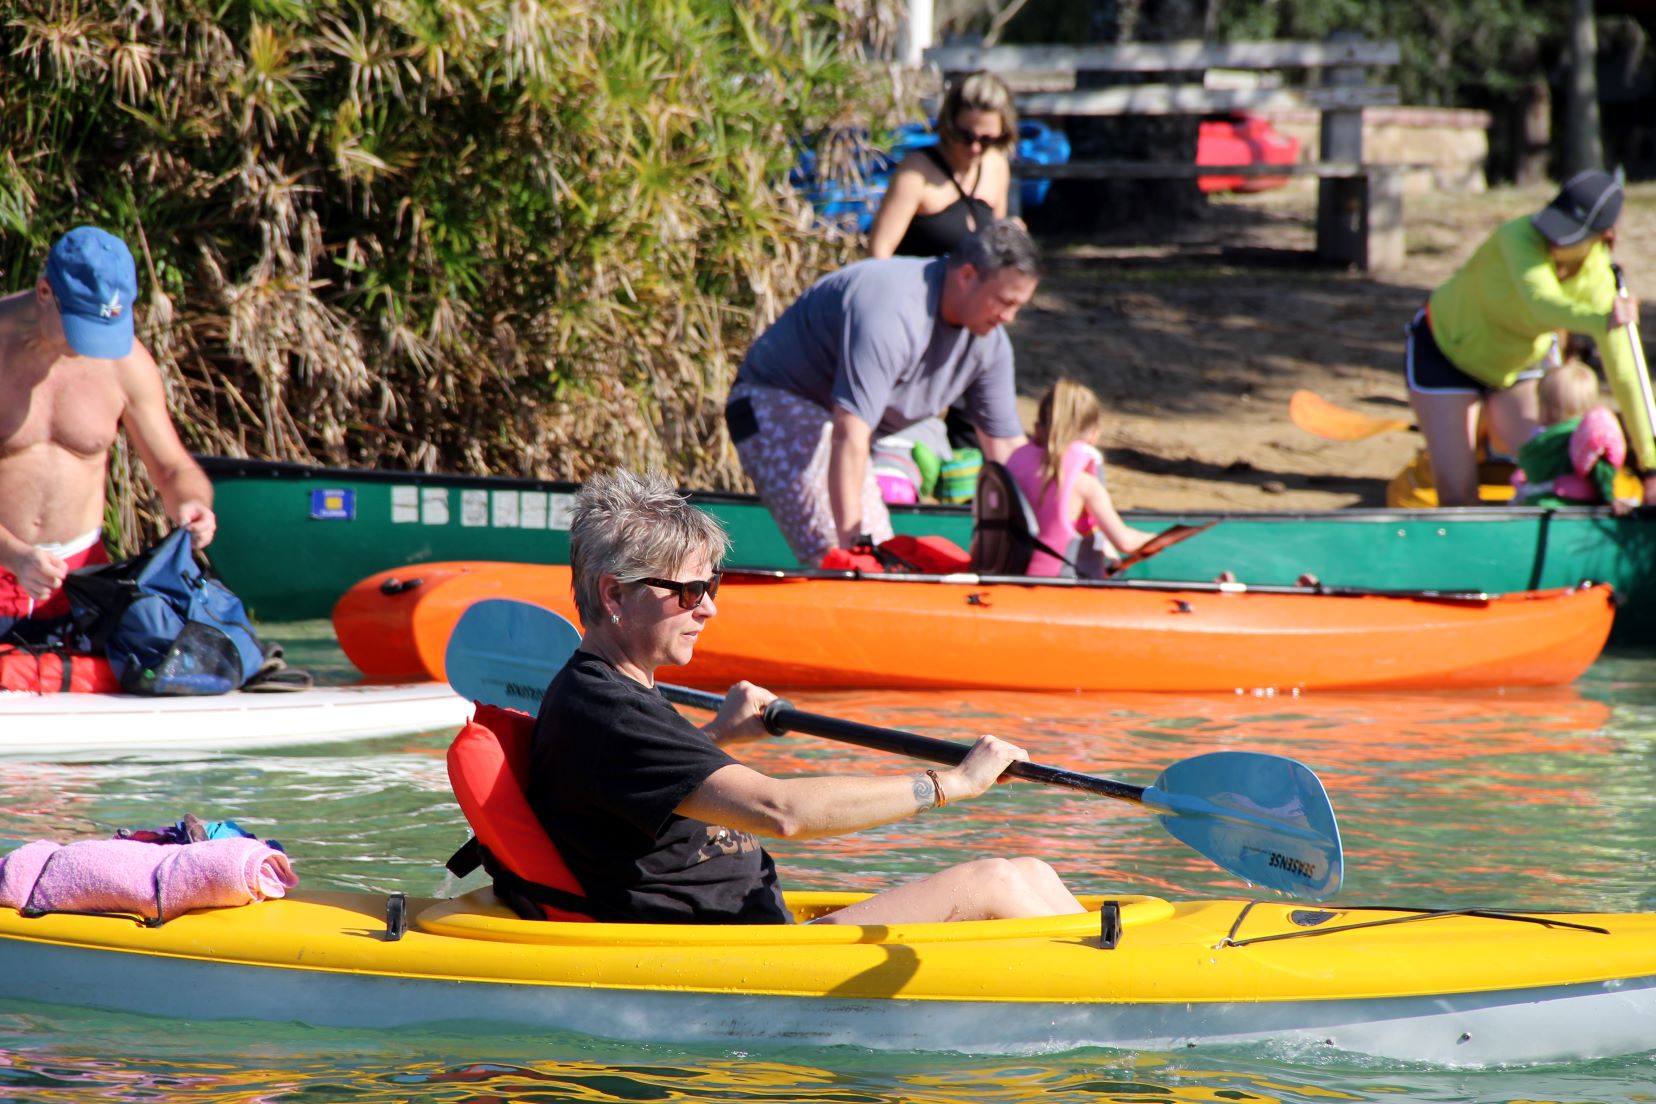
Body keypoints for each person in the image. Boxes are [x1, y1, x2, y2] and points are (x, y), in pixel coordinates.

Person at [527, 469, 1084, 925]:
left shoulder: (617, 692)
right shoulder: (606, 708)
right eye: (690, 591)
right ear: (615, 595)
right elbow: (783, 813)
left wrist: (719, 735)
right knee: (995, 881)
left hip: (766, 933)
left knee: (1032, 871)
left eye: (711, 586)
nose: (709, 608)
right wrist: (953, 783)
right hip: (738, 960)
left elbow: (641, 781)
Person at [726, 219, 1037, 565]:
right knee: (844, 553)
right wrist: (853, 552)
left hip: (842, 428)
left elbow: (1007, 449)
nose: (1010, 317)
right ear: (967, 276)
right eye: (1005, 301)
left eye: (1018, 306)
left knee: (884, 554)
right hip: (771, 401)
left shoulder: (990, 342)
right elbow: (849, 432)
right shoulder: (893, 309)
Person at [0, 226, 216, 625]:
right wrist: (14, 555)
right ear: (45, 292)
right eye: (82, 329)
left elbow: (173, 467)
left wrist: (192, 501)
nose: (93, 347)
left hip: (80, 579)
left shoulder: (126, 363)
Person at [1405, 169, 1651, 507]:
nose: (1553, 239)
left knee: (1556, 470)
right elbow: (1541, 302)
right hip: (1446, 354)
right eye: (1555, 224)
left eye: (1569, 235)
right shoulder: (1516, 236)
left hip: (1518, 366)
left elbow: (1626, 375)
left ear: (1604, 237)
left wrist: (1651, 467)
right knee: (1458, 497)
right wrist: (1601, 320)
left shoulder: (1600, 283)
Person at [1005, 378, 1153, 577]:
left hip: (1008, 574)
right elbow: (1125, 542)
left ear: (1038, 428)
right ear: (1094, 435)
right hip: (1059, 583)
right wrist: (1157, 539)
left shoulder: (1014, 465)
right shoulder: (1086, 485)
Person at [868, 71, 1016, 261]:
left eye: (987, 140)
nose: (975, 148)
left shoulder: (996, 166)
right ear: (949, 125)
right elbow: (878, 253)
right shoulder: (917, 172)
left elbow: (995, 254)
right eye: (966, 136)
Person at [1513, 359, 1632, 511]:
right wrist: (1609, 500)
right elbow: (1601, 473)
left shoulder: (1536, 442)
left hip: (1536, 506)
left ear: (1545, 406)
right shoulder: (1585, 438)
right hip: (1575, 510)